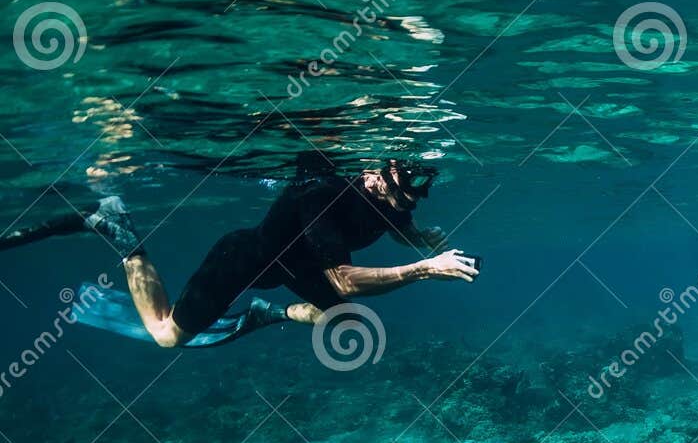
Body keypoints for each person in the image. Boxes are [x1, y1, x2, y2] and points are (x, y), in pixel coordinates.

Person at [73, 155, 479, 347]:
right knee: (166, 336)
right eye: (401, 187)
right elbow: (343, 280)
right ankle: (122, 232)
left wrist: (421, 237)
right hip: (247, 258)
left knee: (344, 322)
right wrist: (424, 268)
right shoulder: (323, 194)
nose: (409, 197)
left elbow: (397, 227)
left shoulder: (390, 201)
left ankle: (269, 315)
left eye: (414, 192)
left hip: (297, 267)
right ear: (372, 176)